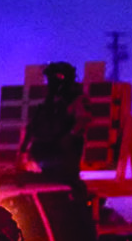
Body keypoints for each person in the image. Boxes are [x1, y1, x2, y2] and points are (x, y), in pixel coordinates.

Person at [22, 61, 88, 199]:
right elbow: (33, 127)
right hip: (47, 155)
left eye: (58, 78)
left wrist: (69, 136)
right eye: (51, 79)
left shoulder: (76, 100)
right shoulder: (48, 104)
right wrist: (24, 150)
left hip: (63, 157)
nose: (53, 83)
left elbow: (82, 121)